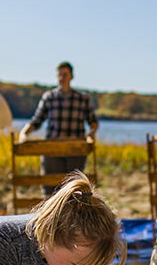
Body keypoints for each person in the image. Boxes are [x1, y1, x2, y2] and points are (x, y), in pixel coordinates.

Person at [18, 61, 100, 195]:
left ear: (71, 76)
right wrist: (24, 134)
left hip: (75, 152)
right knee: (50, 191)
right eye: (59, 75)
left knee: (74, 191)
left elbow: (93, 122)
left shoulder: (82, 99)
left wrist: (91, 134)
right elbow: (36, 120)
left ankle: (72, 216)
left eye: (65, 74)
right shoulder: (49, 98)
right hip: (52, 152)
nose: (62, 78)